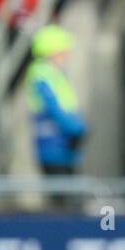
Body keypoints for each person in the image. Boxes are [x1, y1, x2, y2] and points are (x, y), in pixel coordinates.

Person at [25, 25, 87, 179]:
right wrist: (77, 129)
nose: (67, 56)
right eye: (63, 52)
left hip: (64, 147)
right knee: (64, 198)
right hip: (54, 147)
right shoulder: (43, 75)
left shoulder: (52, 74)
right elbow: (54, 109)